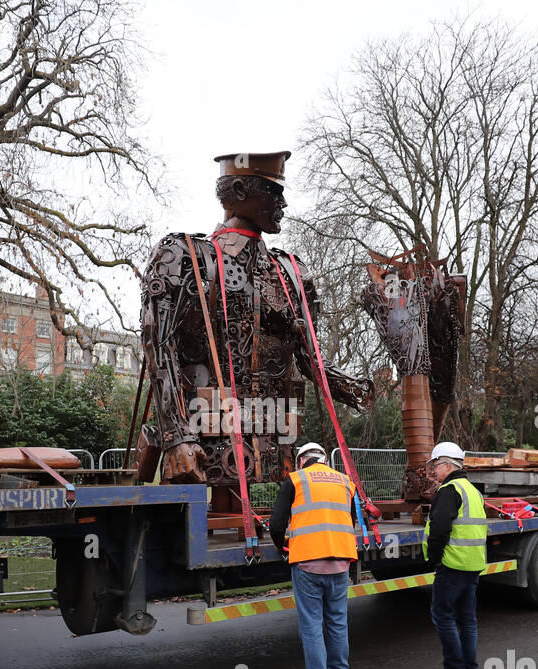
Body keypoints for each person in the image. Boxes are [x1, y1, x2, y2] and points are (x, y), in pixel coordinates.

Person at [139, 152, 370, 487]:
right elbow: (158, 347)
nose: (284, 203)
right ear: (239, 189)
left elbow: (311, 357)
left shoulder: (290, 270)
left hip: (272, 437)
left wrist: (360, 389)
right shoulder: (184, 255)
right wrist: (176, 435)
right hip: (204, 434)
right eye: (274, 192)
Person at [268, 441, 358, 669]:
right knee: (338, 624)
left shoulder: (295, 480)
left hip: (308, 564)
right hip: (341, 562)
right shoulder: (345, 482)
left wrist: (281, 546)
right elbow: (349, 520)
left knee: (312, 628)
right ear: (323, 460)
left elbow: (276, 524)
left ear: (301, 460)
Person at [422, 442, 487, 669]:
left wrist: (434, 557)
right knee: (467, 620)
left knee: (443, 615)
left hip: (452, 565)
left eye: (436, 466)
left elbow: (439, 530)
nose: (434, 471)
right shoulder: (472, 490)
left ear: (448, 465)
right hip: (472, 564)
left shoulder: (449, 490)